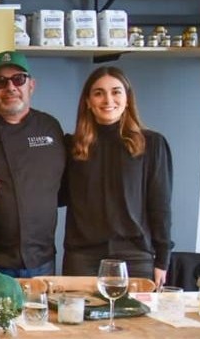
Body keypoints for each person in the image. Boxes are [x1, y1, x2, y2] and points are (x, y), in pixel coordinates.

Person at [62, 66, 172, 286]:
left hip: (135, 258)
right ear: (88, 101)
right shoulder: (72, 146)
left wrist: (162, 259)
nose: (107, 99)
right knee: (78, 320)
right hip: (82, 259)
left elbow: (160, 205)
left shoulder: (152, 144)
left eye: (116, 91)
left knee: (136, 321)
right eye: (98, 93)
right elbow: (56, 196)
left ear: (128, 99)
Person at [0, 51, 65, 278]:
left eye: (18, 79)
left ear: (31, 85)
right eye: (0, 81)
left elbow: (63, 187)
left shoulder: (50, 127)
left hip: (42, 259)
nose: (10, 87)